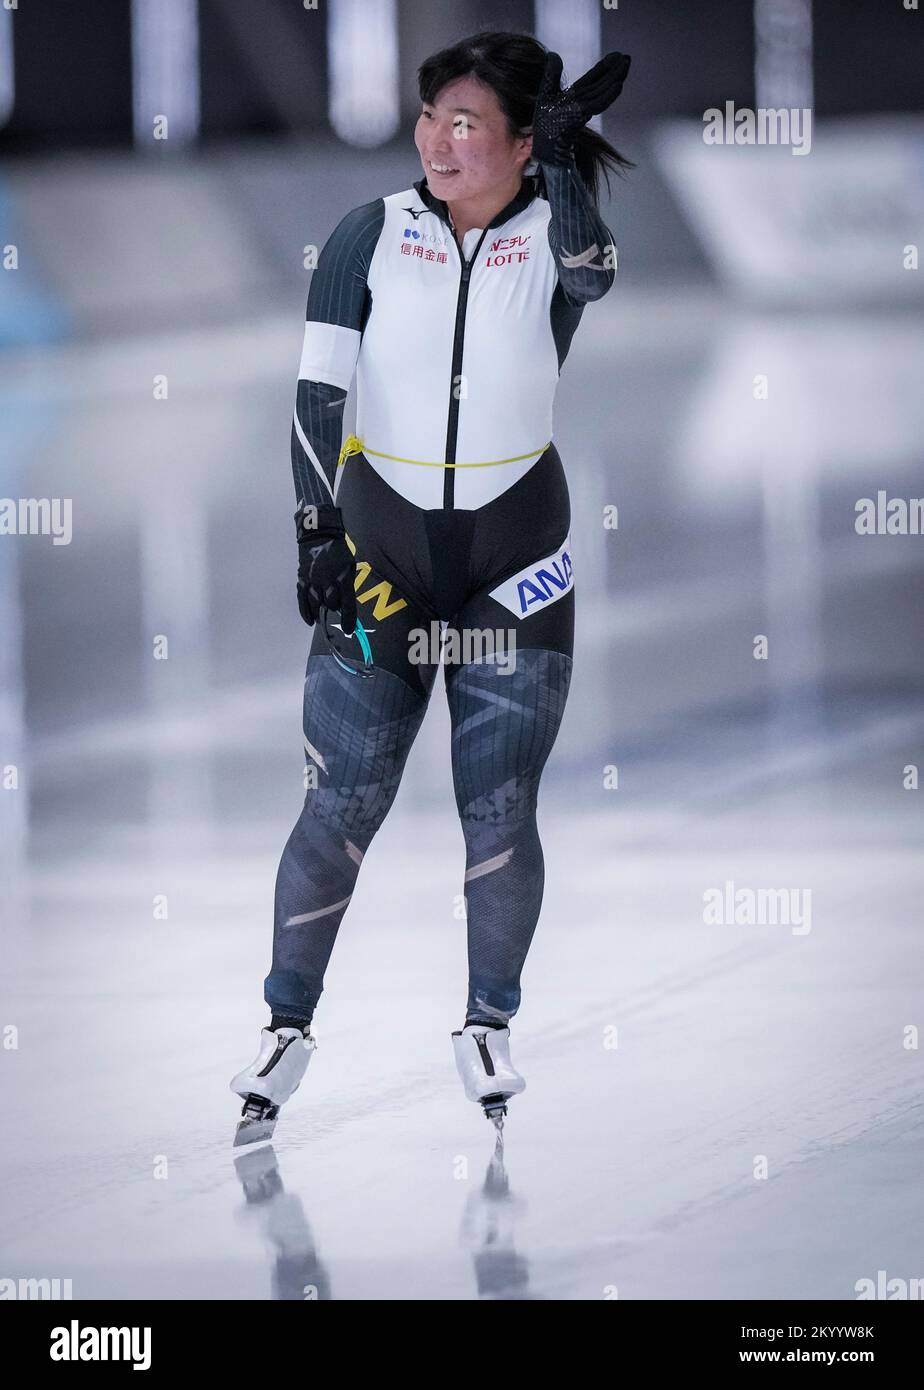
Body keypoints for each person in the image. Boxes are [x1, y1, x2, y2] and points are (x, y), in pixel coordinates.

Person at [231, 30, 632, 1141]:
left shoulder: (560, 233)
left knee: (498, 808)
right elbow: (318, 394)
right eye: (428, 117)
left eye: (467, 122)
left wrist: (560, 166)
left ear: (517, 139)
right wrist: (315, 530)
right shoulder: (370, 234)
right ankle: (284, 1021)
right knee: (339, 805)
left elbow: (594, 276)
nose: (438, 141)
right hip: (381, 560)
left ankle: (489, 1020)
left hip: (518, 565)